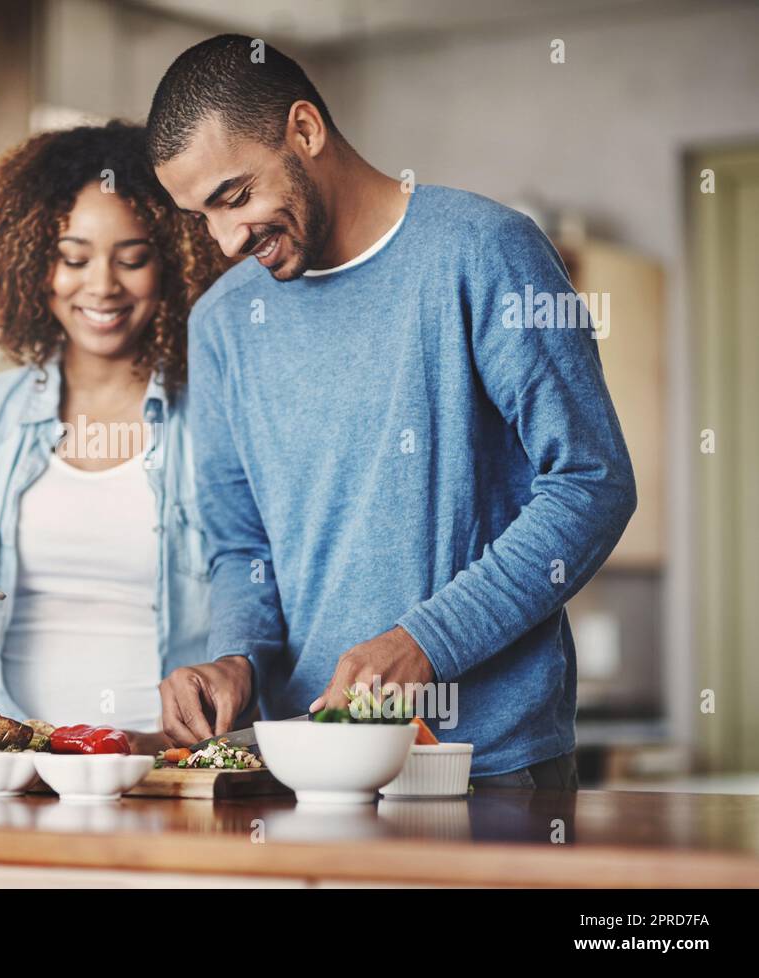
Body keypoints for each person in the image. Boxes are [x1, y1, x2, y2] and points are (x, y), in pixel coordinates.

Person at [146, 35, 635, 788]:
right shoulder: (220, 323)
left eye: (235, 196)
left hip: (487, 767)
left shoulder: (484, 252)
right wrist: (236, 658)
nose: (225, 240)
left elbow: (590, 482)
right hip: (305, 766)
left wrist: (424, 643)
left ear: (305, 131)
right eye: (198, 217)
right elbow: (241, 545)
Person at [0, 122, 226, 752]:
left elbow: (258, 616)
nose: (102, 285)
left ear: (174, 263)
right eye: (73, 258)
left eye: (132, 257)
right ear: (32, 265)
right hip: (10, 773)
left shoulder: (219, 419)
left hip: (165, 769)